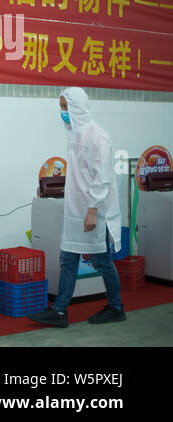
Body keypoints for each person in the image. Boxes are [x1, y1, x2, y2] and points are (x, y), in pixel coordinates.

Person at [29, 87, 125, 328]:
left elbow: (101, 177)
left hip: (95, 211)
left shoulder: (97, 136)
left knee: (101, 261)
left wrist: (92, 210)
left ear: (77, 107)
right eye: (61, 107)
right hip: (76, 210)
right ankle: (60, 311)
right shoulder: (75, 133)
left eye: (65, 107)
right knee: (67, 259)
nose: (63, 112)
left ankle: (116, 307)